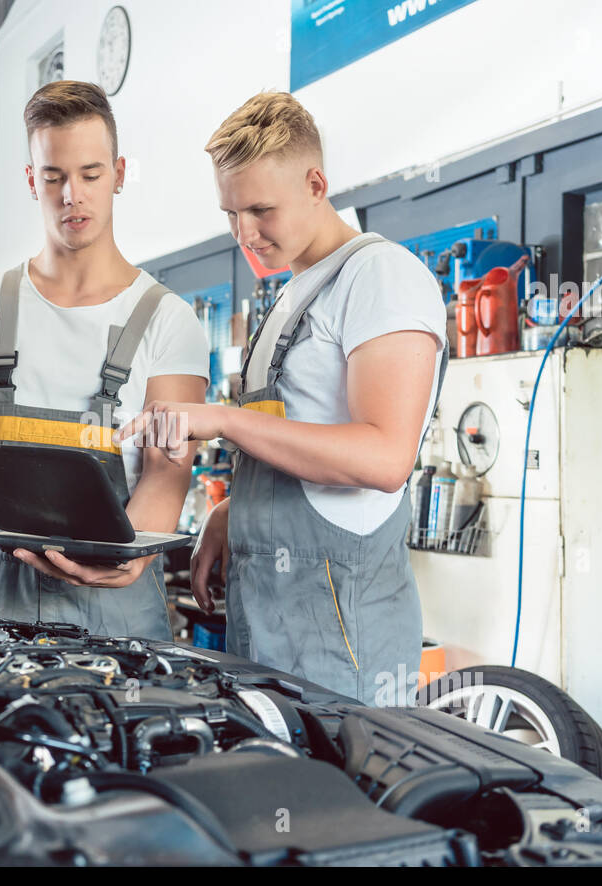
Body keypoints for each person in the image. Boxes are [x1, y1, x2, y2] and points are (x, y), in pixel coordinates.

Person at [118, 92, 447, 701]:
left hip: (343, 623)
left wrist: (221, 420)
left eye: (261, 209)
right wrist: (235, 510)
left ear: (316, 182)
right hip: (268, 612)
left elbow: (383, 457)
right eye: (231, 212)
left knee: (344, 787)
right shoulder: (294, 293)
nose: (245, 232)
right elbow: (298, 433)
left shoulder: (380, 277)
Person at [0, 80, 208, 639]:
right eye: (54, 176)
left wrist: (122, 555)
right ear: (30, 180)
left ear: (119, 174)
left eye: (91, 175)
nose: (73, 194)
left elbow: (169, 471)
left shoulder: (170, 321)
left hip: (114, 614)